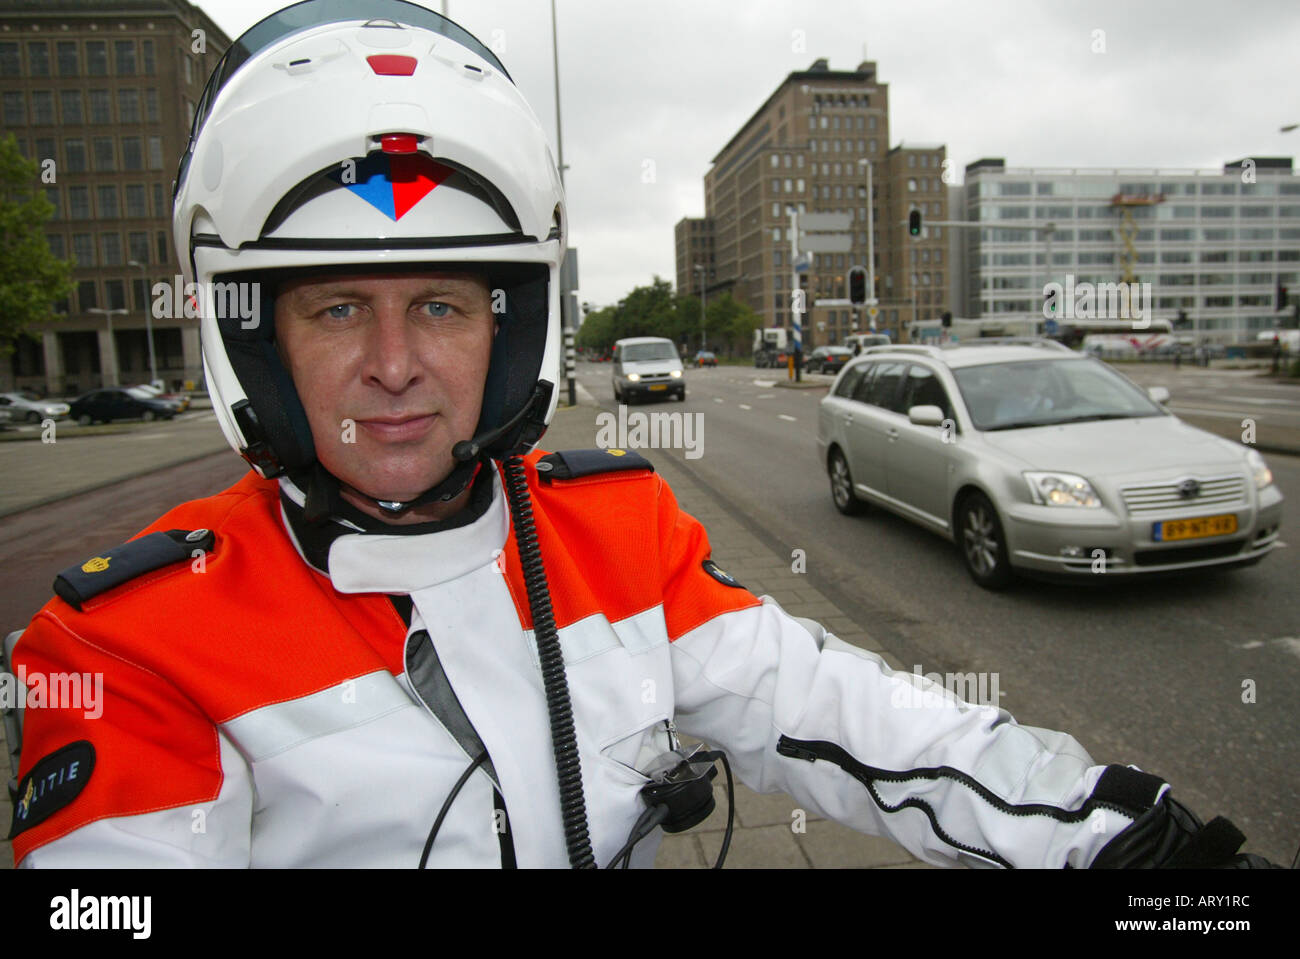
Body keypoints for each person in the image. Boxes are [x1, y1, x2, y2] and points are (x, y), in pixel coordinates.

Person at [7, 0, 1277, 869]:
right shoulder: (126, 640)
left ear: (508, 330)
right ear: (254, 338)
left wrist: (1105, 837)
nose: (394, 366)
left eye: (441, 305)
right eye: (338, 306)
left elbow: (859, 716)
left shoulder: (612, 529)